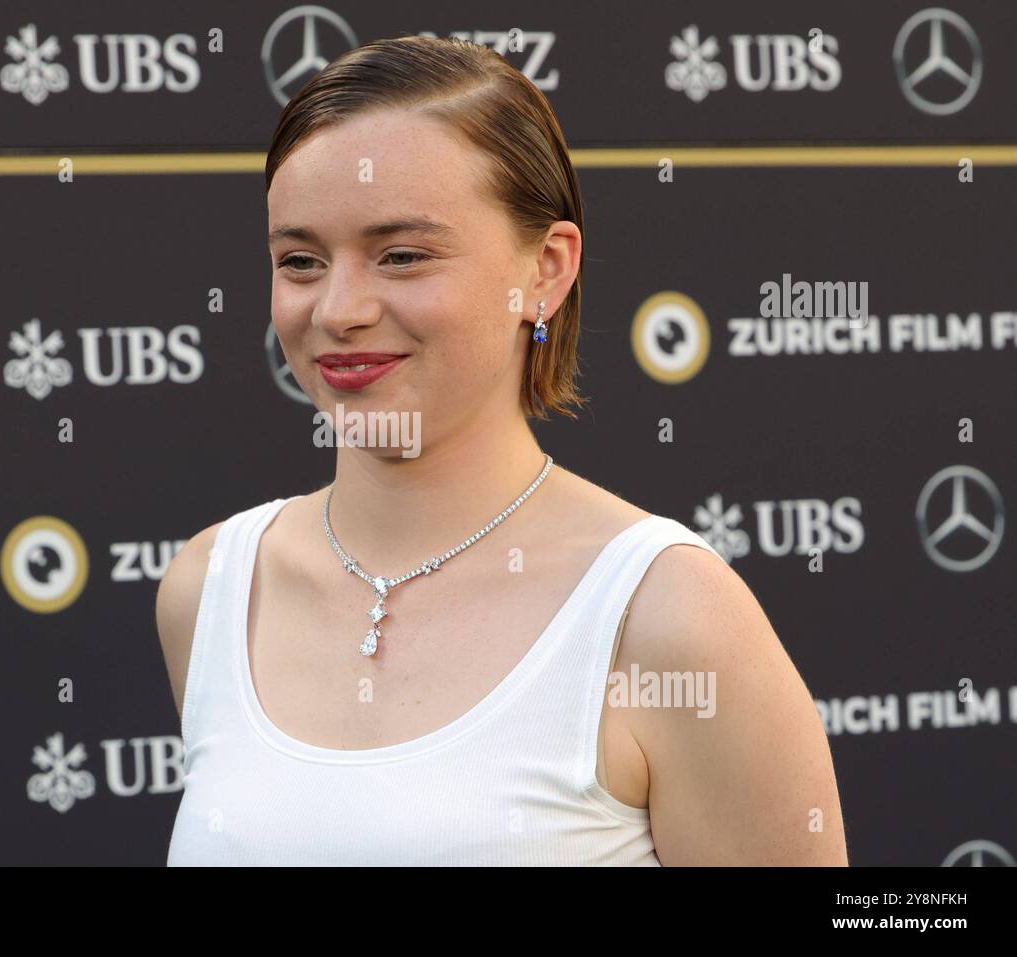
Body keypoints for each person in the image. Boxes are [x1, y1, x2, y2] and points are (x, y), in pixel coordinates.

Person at [157, 35, 847, 865]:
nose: (338, 309)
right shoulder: (212, 588)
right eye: (300, 260)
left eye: (402, 255)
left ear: (547, 269)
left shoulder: (666, 616)